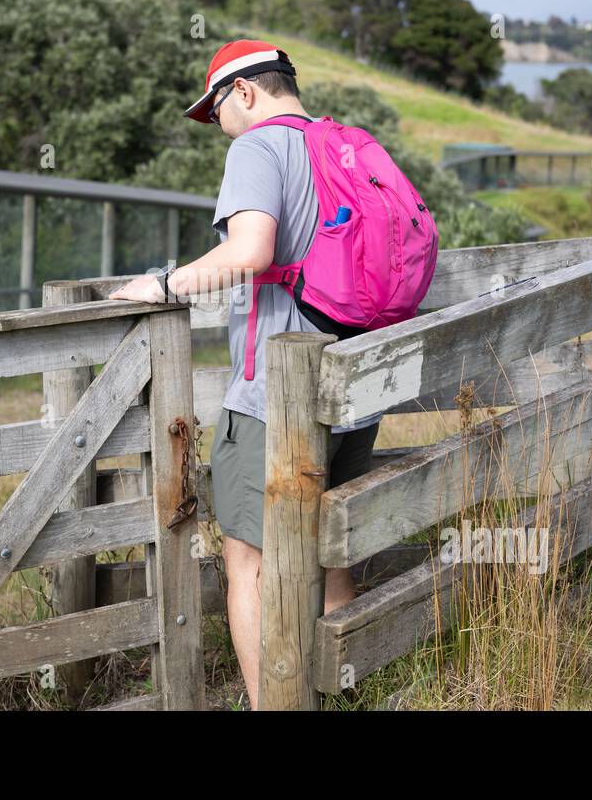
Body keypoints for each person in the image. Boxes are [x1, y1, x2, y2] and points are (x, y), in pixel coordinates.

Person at [110, 39, 383, 708]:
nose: (218, 127)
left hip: (274, 396)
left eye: (216, 111)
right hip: (354, 385)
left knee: (249, 561)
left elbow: (252, 249)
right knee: (329, 547)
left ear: (246, 93)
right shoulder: (344, 144)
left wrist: (163, 285)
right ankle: (341, 692)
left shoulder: (259, 148)